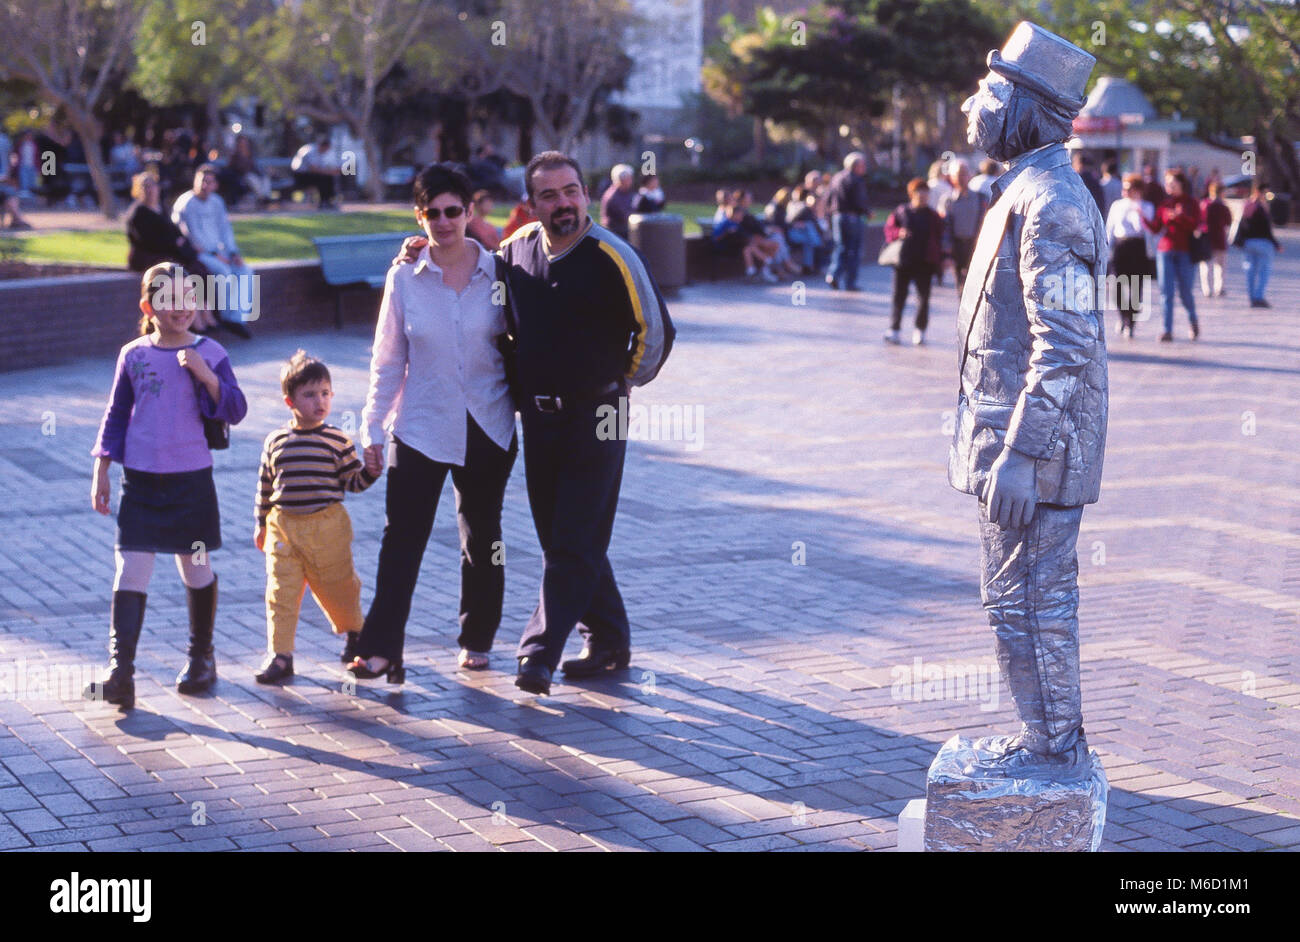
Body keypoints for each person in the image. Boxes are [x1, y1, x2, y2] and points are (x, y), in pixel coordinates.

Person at [951, 22, 1108, 780]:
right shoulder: (1023, 189)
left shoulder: (1054, 203)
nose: (972, 105)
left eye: (989, 92)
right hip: (1009, 451)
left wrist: (1020, 454)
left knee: (1033, 607)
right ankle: (1046, 741)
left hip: (1031, 457)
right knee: (1011, 603)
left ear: (1028, 109)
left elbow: (1066, 342)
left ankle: (1055, 755)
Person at [498, 151, 673, 695]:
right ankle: (611, 638)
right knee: (565, 534)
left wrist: (622, 381)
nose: (562, 203)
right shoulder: (512, 254)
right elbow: (486, 309)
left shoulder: (613, 255)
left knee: (572, 537)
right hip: (540, 417)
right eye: (548, 195)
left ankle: (537, 654)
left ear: (585, 194)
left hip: (601, 413)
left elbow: (657, 332)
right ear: (532, 205)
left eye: (570, 191)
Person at [348, 163, 519, 682]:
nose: (443, 222)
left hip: (488, 423)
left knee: (483, 534)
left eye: (453, 211)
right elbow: (387, 358)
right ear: (418, 216)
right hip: (420, 424)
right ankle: (381, 648)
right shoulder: (404, 276)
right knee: (402, 537)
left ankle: (478, 637)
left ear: (470, 211)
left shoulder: (502, 273)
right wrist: (372, 429)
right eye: (432, 213)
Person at [84, 262, 248, 709]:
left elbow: (235, 408)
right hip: (139, 486)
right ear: (148, 306)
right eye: (168, 299)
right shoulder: (133, 354)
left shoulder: (211, 351)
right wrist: (101, 468)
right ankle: (121, 674)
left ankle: (202, 658)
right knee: (130, 570)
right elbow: (116, 414)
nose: (180, 307)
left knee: (195, 567)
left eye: (187, 297)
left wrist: (204, 374)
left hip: (191, 486)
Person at [253, 351, 380, 684]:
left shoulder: (337, 440)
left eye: (324, 393)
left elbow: (353, 482)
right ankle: (280, 655)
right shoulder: (276, 441)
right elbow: (266, 486)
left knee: (340, 587)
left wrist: (372, 471)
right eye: (309, 395)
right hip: (283, 528)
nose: (319, 401)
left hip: (328, 527)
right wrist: (260, 523)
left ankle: (355, 634)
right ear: (289, 401)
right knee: (280, 593)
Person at [125, 173, 219, 334]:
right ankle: (196, 322)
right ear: (138, 190)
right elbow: (149, 240)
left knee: (200, 268)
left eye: (152, 185)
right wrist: (175, 244)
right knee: (182, 272)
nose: (150, 190)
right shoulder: (138, 213)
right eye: (145, 186)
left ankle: (206, 313)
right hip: (148, 256)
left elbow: (175, 232)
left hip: (169, 251)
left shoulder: (162, 208)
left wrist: (181, 242)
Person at [172, 164, 254, 338]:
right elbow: (191, 235)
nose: (205, 186)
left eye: (210, 182)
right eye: (202, 181)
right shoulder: (186, 203)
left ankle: (239, 319)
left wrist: (233, 253)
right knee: (223, 271)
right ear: (195, 180)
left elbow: (225, 230)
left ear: (215, 185)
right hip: (200, 254)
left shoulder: (217, 202)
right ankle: (227, 318)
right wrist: (215, 255)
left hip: (220, 253)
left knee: (245, 271)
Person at [883, 178, 942, 346]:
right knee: (898, 296)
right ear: (911, 194)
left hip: (925, 262)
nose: (923, 195)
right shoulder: (901, 211)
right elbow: (889, 230)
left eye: (925, 192)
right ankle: (894, 329)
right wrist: (898, 232)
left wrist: (942, 258)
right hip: (903, 262)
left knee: (923, 298)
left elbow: (940, 237)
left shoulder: (933, 215)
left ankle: (920, 330)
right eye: (919, 192)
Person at [1105, 173, 1159, 339]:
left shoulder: (1147, 206)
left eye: (1128, 189)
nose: (1124, 192)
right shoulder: (1117, 205)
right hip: (1121, 246)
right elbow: (1110, 229)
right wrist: (1107, 252)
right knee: (1116, 286)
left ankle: (1131, 323)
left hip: (1138, 247)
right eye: (1124, 188)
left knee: (1136, 288)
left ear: (1137, 190)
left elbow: (1148, 230)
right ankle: (1124, 316)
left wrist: (1139, 212)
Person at [1153, 170, 1202, 341]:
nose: (1168, 186)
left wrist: (1181, 217)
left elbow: (1195, 225)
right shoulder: (1164, 205)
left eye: (1171, 183)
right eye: (1167, 183)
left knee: (1185, 291)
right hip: (1165, 250)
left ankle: (1193, 319)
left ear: (1181, 184)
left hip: (1185, 251)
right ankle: (1167, 329)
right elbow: (1156, 228)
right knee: (1166, 292)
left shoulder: (1192, 203)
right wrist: (1141, 217)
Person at [937, 159, 986, 293]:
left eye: (964, 173)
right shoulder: (947, 200)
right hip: (957, 246)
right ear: (952, 178)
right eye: (958, 174)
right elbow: (944, 227)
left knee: (976, 285)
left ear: (970, 175)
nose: (961, 177)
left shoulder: (981, 198)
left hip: (975, 245)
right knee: (961, 286)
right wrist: (946, 254)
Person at [825, 152, 870, 290]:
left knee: (840, 246)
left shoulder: (837, 178)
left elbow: (828, 198)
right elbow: (858, 201)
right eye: (863, 165)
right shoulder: (856, 180)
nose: (865, 168)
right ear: (855, 166)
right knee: (854, 250)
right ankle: (850, 282)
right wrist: (867, 212)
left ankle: (833, 274)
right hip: (852, 218)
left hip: (837, 216)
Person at [1237, 181, 1282, 308]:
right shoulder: (1261, 208)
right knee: (1264, 272)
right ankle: (1259, 297)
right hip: (1263, 243)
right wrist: (1276, 244)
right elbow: (1267, 230)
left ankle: (1252, 298)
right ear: (1260, 193)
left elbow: (1241, 224)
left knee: (1250, 271)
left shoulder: (1247, 205)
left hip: (1248, 243)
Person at [1198, 180, 1232, 298]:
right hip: (1219, 239)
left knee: (1206, 266)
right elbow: (1228, 223)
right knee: (1220, 266)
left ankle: (1207, 289)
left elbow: (1199, 220)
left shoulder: (1204, 205)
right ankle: (1219, 288)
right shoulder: (1223, 207)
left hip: (1206, 238)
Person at [291, 137, 341, 208]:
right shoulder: (310, 150)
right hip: (300, 176)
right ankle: (324, 201)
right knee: (324, 178)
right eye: (327, 148)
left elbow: (321, 167)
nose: (327, 150)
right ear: (324, 146)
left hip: (309, 175)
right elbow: (313, 169)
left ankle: (327, 200)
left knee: (328, 178)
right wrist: (330, 172)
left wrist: (332, 171)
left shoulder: (319, 152)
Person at [600, 163, 637, 239]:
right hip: (615, 234)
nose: (631, 181)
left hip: (624, 231)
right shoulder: (613, 196)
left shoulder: (626, 193)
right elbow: (626, 217)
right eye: (629, 178)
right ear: (621, 179)